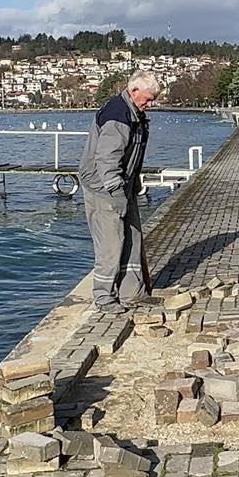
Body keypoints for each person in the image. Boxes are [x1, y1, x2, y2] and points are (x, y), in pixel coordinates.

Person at [80, 72, 158, 310]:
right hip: (103, 187)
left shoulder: (136, 114)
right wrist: (115, 192)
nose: (151, 104)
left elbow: (132, 155)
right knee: (111, 241)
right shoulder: (118, 116)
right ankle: (104, 296)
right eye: (148, 99)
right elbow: (107, 159)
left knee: (133, 237)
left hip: (123, 185)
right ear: (134, 92)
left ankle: (132, 293)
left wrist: (132, 186)